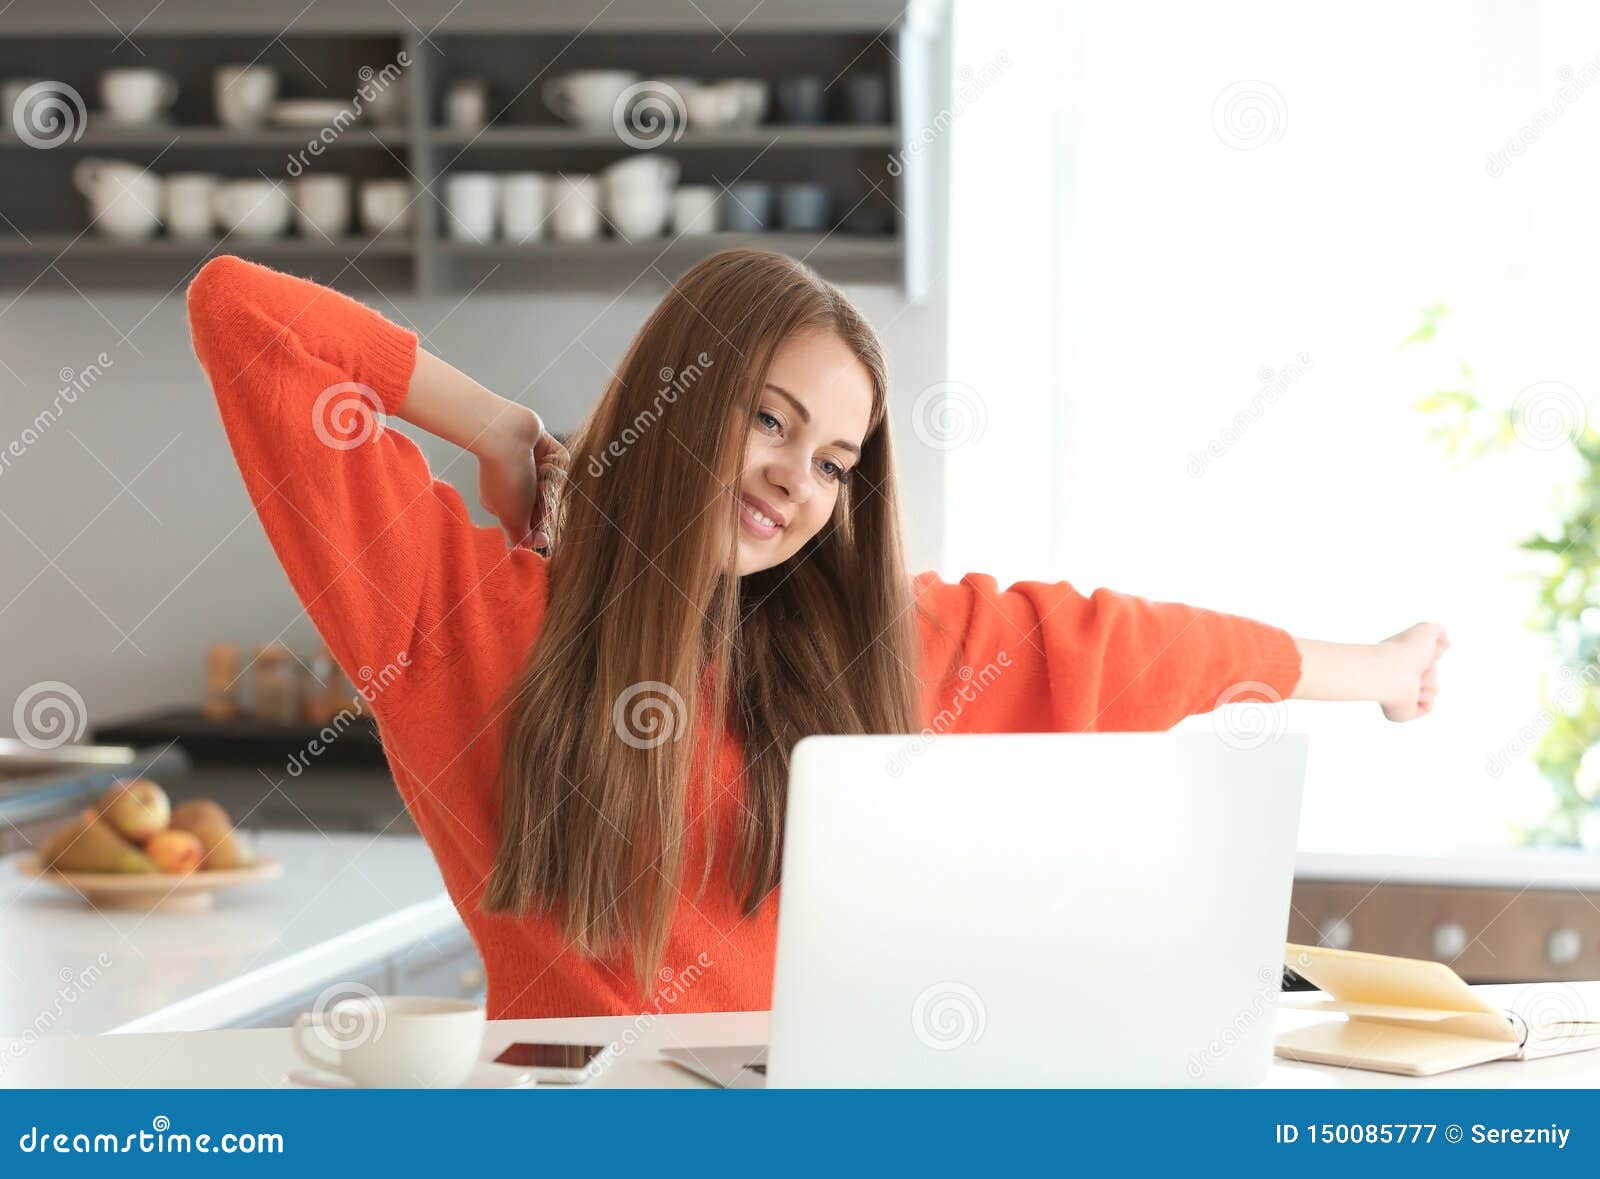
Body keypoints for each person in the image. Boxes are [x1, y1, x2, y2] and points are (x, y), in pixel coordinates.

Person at [186, 249, 1446, 1019]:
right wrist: (499, 425)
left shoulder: (861, 649)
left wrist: (1374, 672)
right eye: (771, 422)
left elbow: (1131, 648)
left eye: (836, 461)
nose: (798, 480)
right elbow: (243, 315)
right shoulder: (459, 616)